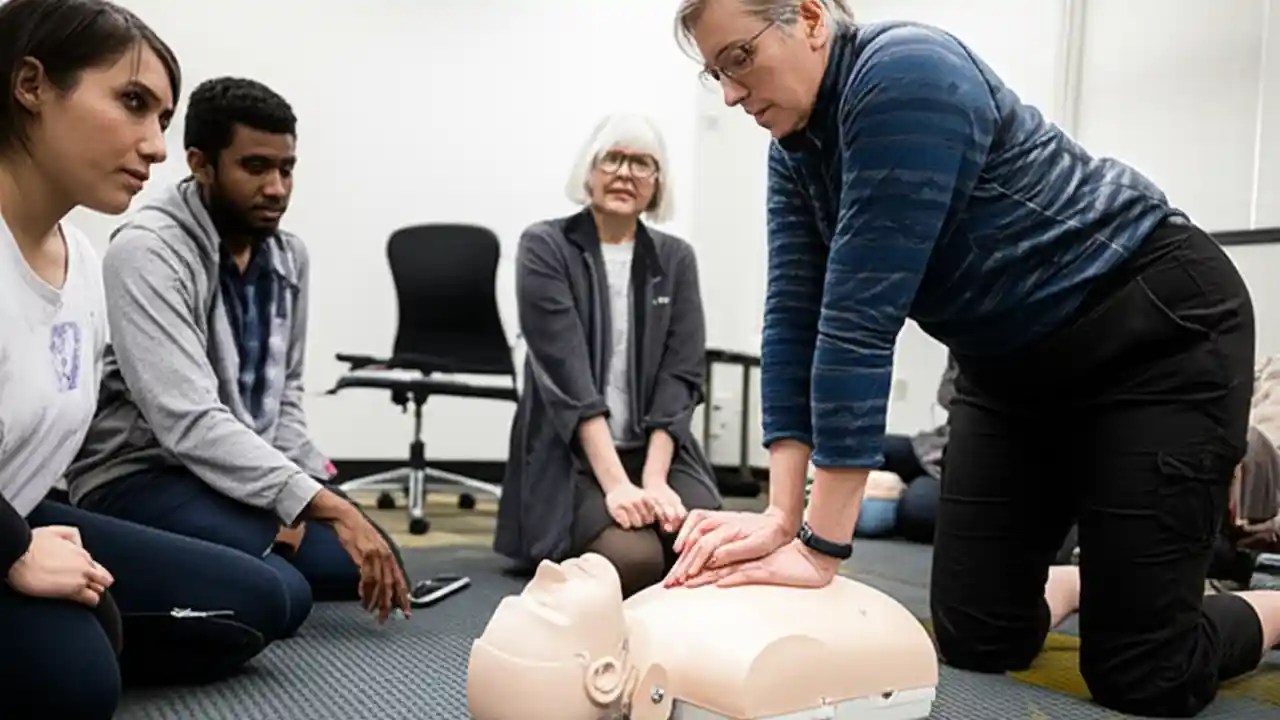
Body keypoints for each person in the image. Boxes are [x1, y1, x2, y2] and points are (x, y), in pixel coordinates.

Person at [666, 1, 1280, 717]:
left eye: (739, 59)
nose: (733, 93)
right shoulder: (795, 152)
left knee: (1146, 674)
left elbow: (858, 321)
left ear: (807, 18)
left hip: (1151, 338)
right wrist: (778, 512)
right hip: (1012, 370)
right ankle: (1091, 583)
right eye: (717, 75)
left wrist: (819, 545)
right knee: (978, 635)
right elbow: (794, 321)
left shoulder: (904, 72)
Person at [0, 2, 297, 717]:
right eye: (132, 103)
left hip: (25, 507)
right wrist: (14, 551)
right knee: (76, 683)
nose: (157, 147)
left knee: (264, 600)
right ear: (32, 84)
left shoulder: (84, 266)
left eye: (162, 118)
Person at [65, 76, 411, 628]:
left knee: (365, 560)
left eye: (287, 169)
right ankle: (123, 566)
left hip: (232, 477)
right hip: (140, 476)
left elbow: (286, 396)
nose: (276, 188)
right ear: (201, 164)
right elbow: (188, 421)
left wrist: (312, 483)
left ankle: (243, 546)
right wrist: (310, 504)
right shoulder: (147, 251)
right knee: (284, 593)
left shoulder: (289, 257)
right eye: (255, 168)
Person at [494, 113, 724, 598]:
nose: (625, 173)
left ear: (658, 184)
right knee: (634, 559)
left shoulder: (676, 258)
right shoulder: (545, 246)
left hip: (653, 447)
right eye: (613, 158)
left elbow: (681, 374)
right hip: (573, 452)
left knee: (709, 544)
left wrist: (656, 480)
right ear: (589, 170)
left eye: (642, 163)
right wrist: (619, 486)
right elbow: (567, 377)